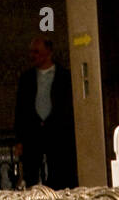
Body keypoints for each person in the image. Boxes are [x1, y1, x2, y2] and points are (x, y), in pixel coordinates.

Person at [14, 36, 77, 189]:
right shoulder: (27, 78)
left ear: (48, 52)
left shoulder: (64, 77)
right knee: (31, 174)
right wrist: (19, 139)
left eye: (37, 52)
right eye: (31, 52)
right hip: (33, 132)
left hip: (57, 132)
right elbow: (20, 109)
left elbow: (68, 108)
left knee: (58, 172)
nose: (33, 56)